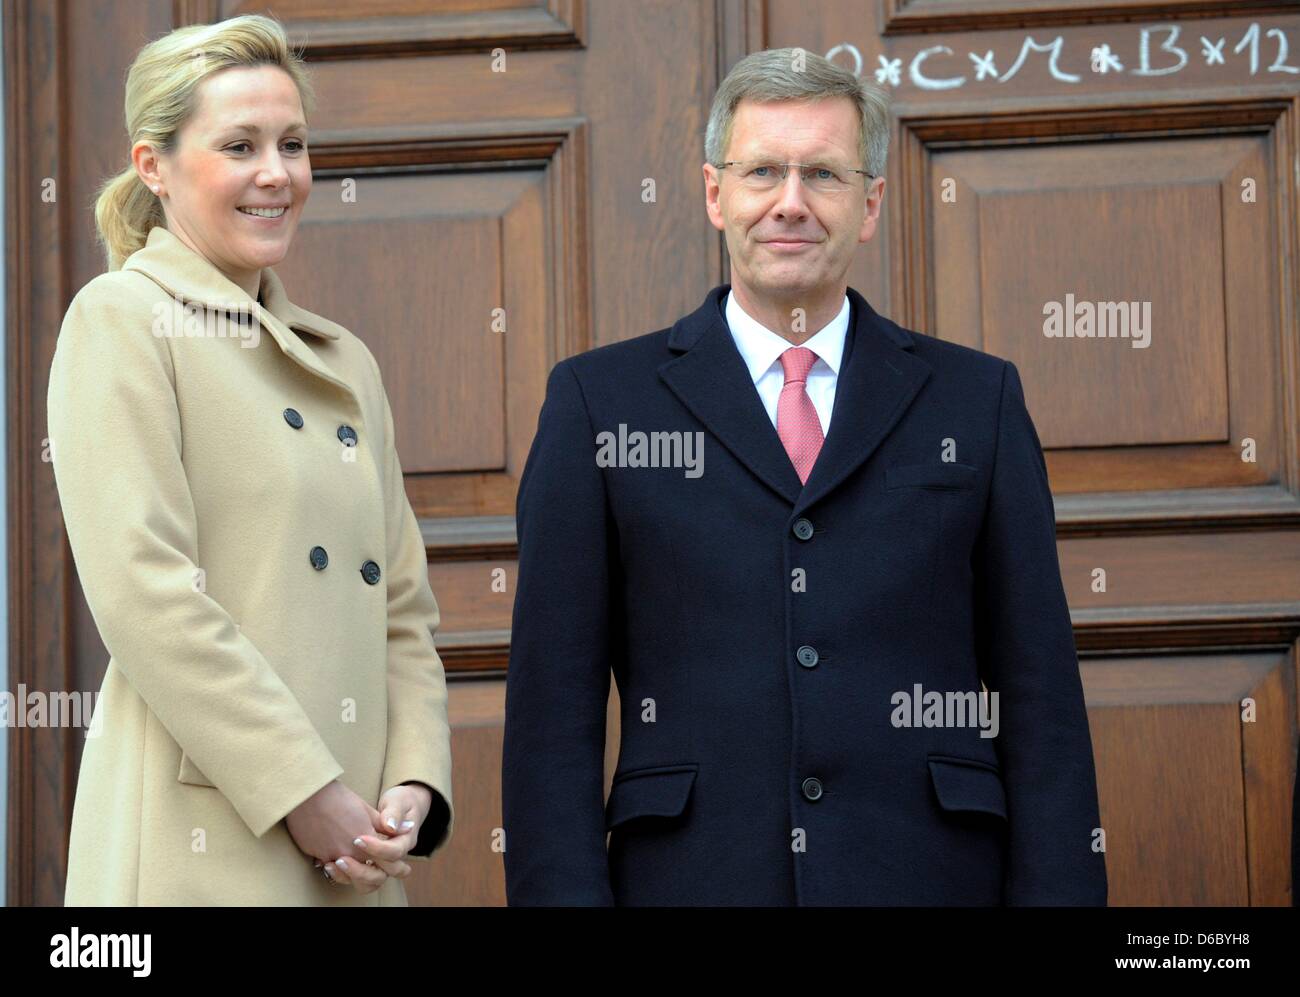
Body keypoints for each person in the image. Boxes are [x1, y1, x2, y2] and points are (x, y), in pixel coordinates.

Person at [502, 47, 1107, 905]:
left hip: (930, 880)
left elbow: (1040, 699)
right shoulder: (599, 403)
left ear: (870, 204)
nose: (790, 202)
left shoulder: (979, 400)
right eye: (762, 172)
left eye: (823, 173)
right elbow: (549, 725)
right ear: (716, 194)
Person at [47, 14, 453, 905]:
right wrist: (305, 790)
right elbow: (145, 594)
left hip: (356, 846)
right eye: (240, 145)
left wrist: (414, 779)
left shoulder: (344, 359)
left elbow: (403, 609)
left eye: (293, 143)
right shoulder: (121, 320)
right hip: (208, 841)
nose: (278, 173)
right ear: (153, 166)